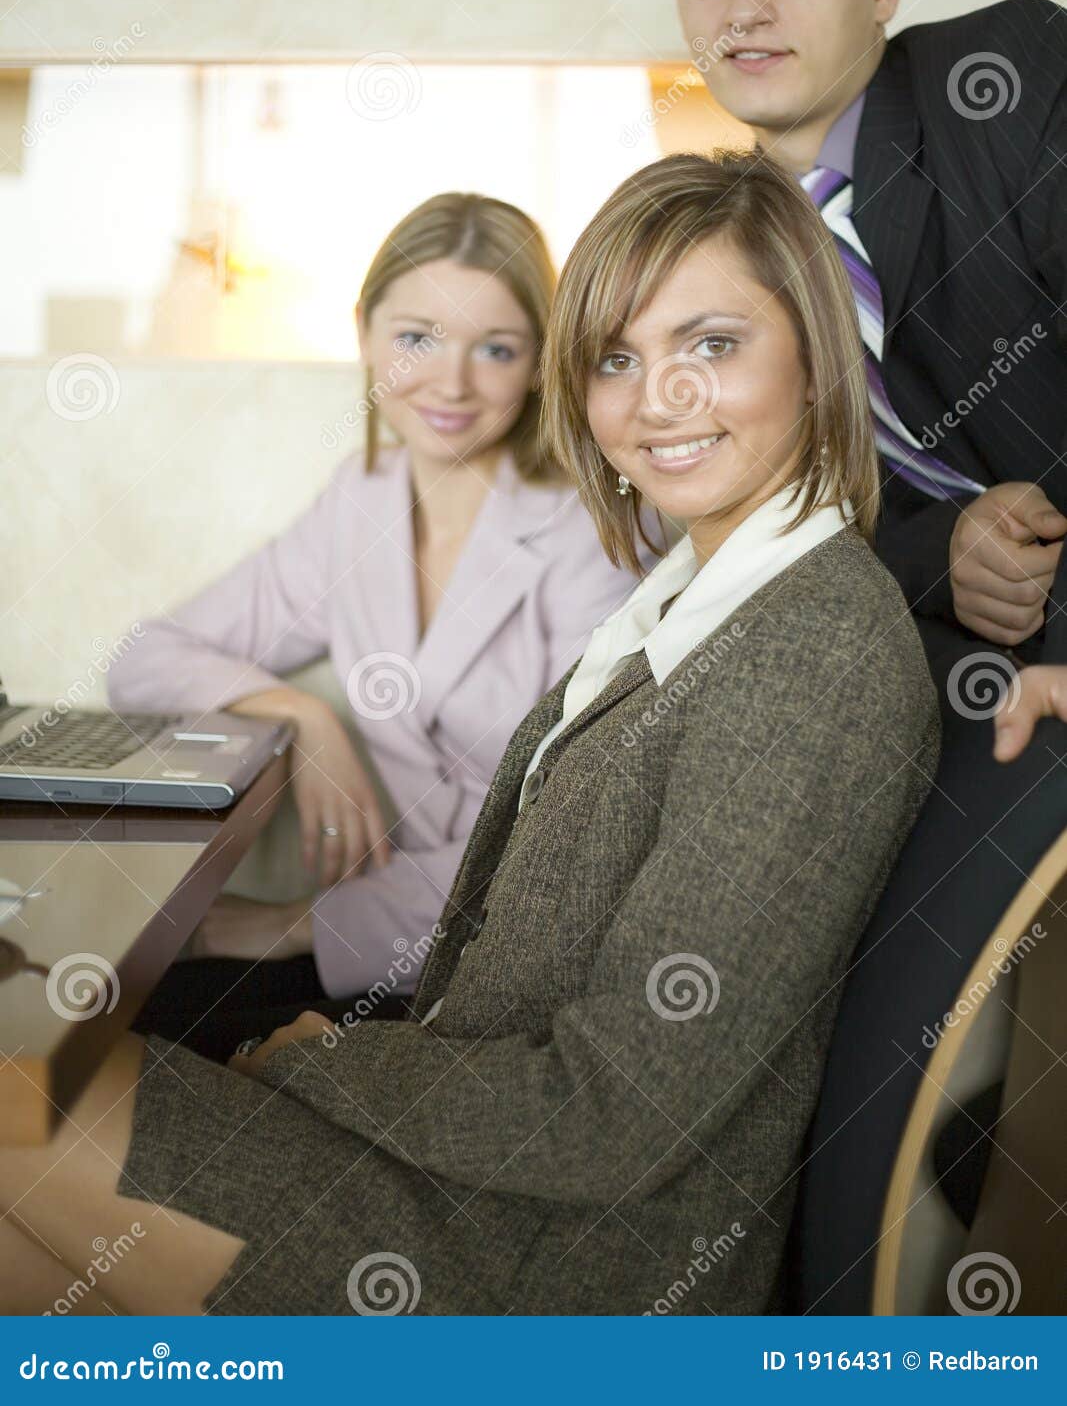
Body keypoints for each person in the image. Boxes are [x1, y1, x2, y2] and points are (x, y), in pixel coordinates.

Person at [1, 152, 938, 1316]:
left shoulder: (810, 645)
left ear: (812, 349)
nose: (656, 400)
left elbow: (623, 1111)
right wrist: (297, 724)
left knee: (16, 1089)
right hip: (465, 1154)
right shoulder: (699, 598)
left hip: (552, 1261)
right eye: (616, 358)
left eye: (710, 344)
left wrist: (329, 1061)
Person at [668, 0, 1067, 1310]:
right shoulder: (738, 238)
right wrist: (937, 545)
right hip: (929, 663)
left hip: (1042, 684)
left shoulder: (1008, 86)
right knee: (732, 962)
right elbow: (789, 506)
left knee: (875, 1058)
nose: (745, 8)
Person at [107, 192, 659, 1061]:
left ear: (539, 361)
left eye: (496, 348)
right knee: (112, 1014)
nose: (451, 382)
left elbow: (567, 846)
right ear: (364, 333)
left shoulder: (594, 530)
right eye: (416, 338)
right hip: (387, 951)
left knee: (155, 1042)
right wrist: (302, 718)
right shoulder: (358, 505)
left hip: (516, 969)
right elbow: (142, 661)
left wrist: (296, 926)